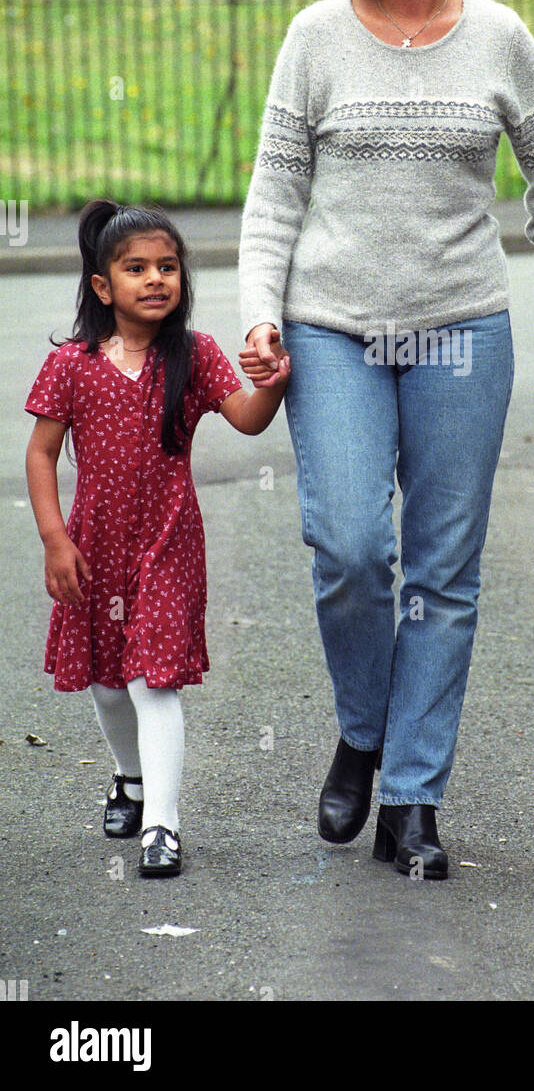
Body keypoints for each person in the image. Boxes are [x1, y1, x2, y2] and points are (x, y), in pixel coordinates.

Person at [239, 0, 534, 880]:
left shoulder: (497, 38)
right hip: (334, 327)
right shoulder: (313, 37)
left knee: (441, 573)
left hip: (460, 330)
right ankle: (363, 724)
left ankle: (411, 796)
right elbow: (272, 197)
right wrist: (260, 309)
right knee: (349, 547)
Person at [25, 200, 289, 877]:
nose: (155, 280)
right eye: (136, 268)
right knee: (108, 686)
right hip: (94, 549)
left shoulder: (195, 356)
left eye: (167, 267)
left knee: (153, 683)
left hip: (169, 546)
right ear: (103, 286)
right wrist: (56, 540)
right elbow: (40, 455)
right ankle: (128, 775)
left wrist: (274, 385)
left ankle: (160, 827)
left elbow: (249, 421)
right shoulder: (73, 365)